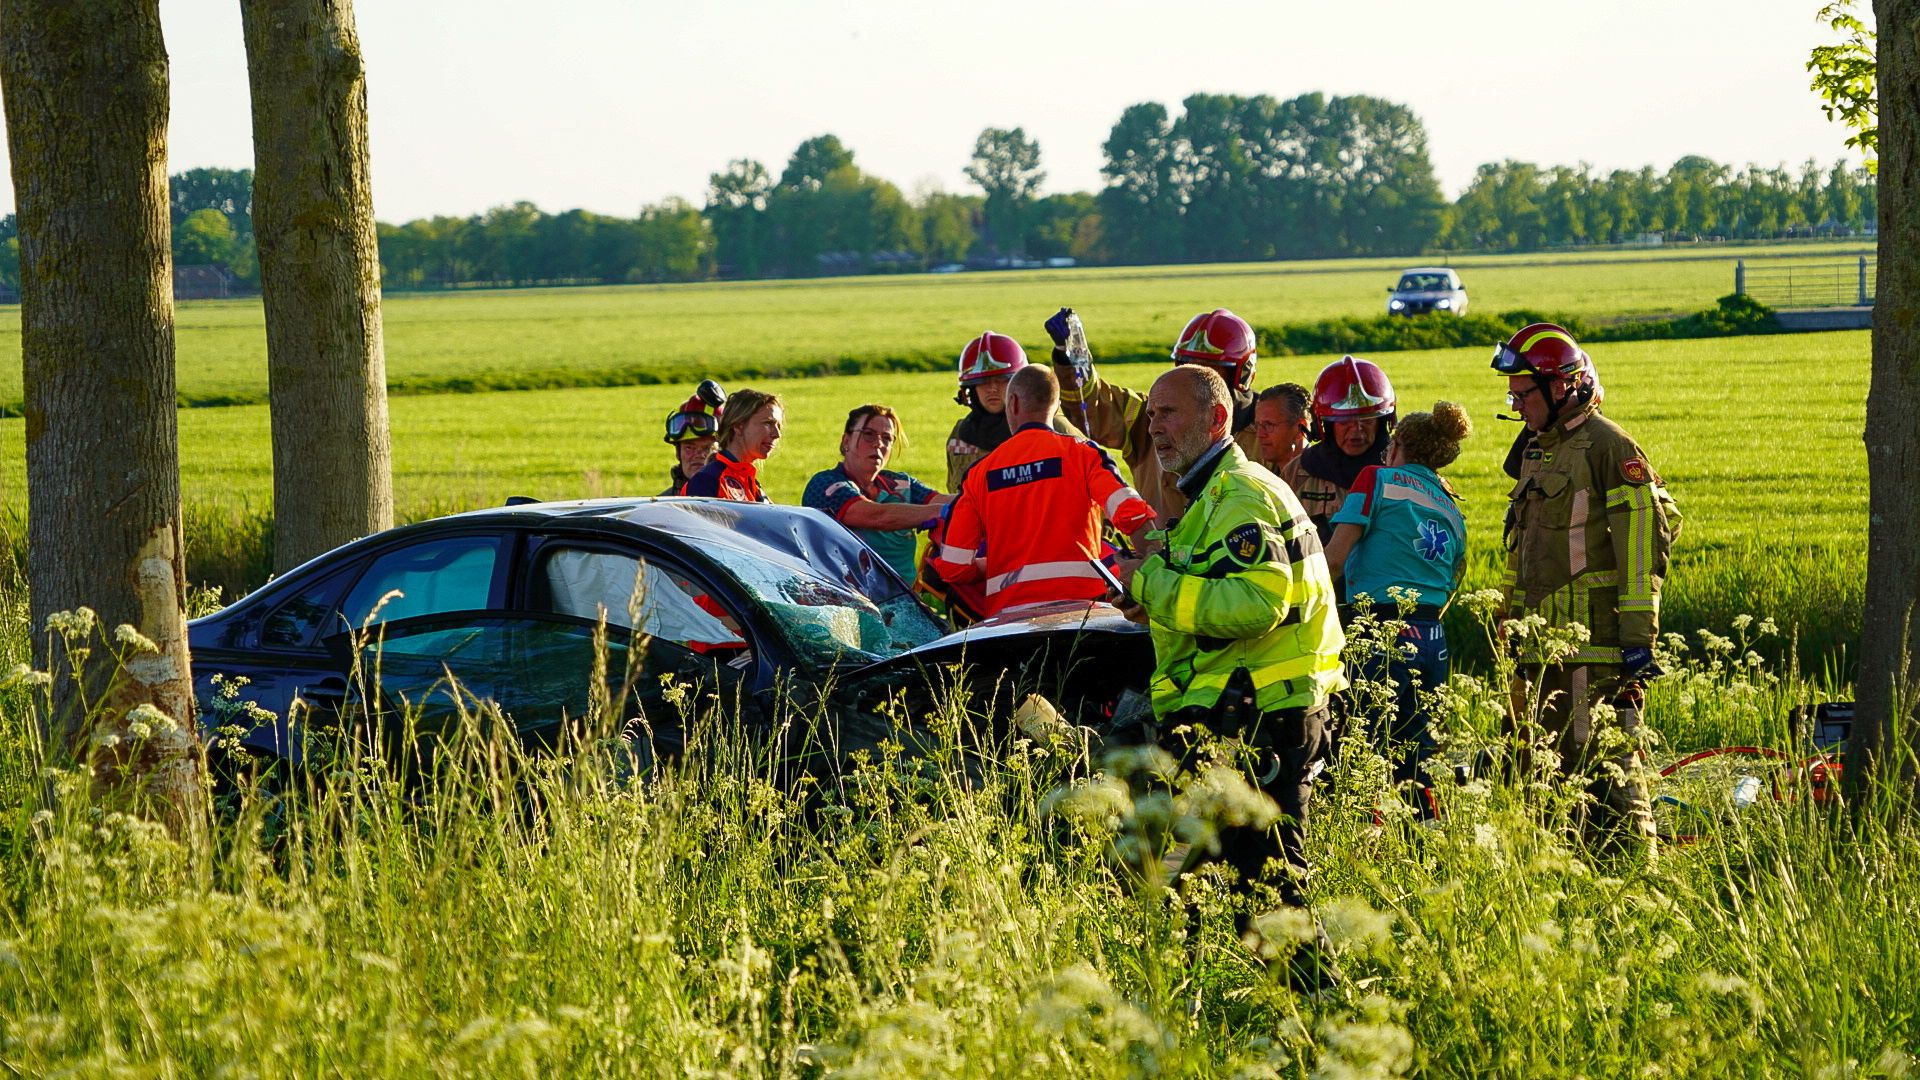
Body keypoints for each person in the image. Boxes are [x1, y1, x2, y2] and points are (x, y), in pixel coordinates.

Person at [1111, 364, 1346, 987]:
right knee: (1180, 877)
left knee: (1269, 900)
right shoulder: (1211, 496)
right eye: (1152, 414)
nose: (1155, 427)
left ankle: (1329, 1027)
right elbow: (1208, 593)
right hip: (1228, 720)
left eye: (1170, 413)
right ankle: (1175, 1010)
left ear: (1218, 419)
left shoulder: (1238, 495)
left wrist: (1151, 582)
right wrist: (1151, 593)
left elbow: (1256, 605)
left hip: (1257, 722)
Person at [1494, 322, 1680, 851]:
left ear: (1562, 387)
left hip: (1594, 646)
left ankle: (1637, 875)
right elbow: (1522, 546)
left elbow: (1646, 539)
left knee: (1609, 771)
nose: (1515, 401)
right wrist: (1507, 614)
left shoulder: (1607, 445)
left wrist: (1637, 640)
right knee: (1541, 772)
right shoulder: (1537, 450)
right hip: (1539, 646)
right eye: (1513, 392)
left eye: (1523, 391)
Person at [1321, 402, 1472, 815]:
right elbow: (1453, 578)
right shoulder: (1452, 507)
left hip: (1377, 626)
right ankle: (1424, 838)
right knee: (1417, 754)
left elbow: (1333, 559)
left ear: (1398, 445)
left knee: (1359, 744)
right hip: (1432, 638)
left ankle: (1356, 837)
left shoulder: (1376, 479)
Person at [932, 366, 1156, 616]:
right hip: (1083, 613)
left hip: (1009, 619)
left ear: (1012, 403)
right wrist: (1155, 567)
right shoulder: (1085, 455)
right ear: (1058, 406)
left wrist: (996, 567)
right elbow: (1131, 513)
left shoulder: (980, 473)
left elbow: (953, 568)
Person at [1049, 307, 1261, 520]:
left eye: (1209, 370)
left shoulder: (1269, 426)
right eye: (1187, 366)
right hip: (1158, 553)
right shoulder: (1144, 417)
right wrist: (1072, 354)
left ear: (1241, 374)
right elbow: (1093, 405)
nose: (1195, 377)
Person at [802, 405, 954, 584]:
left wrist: (983, 496)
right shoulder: (824, 484)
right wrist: (942, 511)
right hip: (843, 599)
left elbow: (943, 500)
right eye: (868, 434)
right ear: (846, 441)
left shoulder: (901, 484)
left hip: (903, 601)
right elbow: (878, 516)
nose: (879, 444)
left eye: (887, 438)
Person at [946, 331, 1084, 491]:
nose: (992, 388)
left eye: (1001, 380)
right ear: (968, 390)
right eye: (982, 381)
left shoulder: (1055, 428)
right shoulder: (959, 437)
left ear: (1020, 385)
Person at [1280, 356, 1395, 543]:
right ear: (1325, 425)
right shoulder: (1296, 474)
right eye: (1344, 421)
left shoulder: (1403, 473)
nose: (1356, 429)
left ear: (1383, 423)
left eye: (1367, 419)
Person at [684, 388, 781, 502]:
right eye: (768, 423)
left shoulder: (751, 483)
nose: (777, 434)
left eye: (778, 426)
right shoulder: (707, 480)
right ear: (738, 426)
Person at [659, 380, 726, 496]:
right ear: (677, 452)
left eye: (708, 448)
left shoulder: (747, 498)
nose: (699, 454)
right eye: (689, 447)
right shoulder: (663, 505)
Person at [1253, 383, 1311, 473]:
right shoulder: (1270, 475)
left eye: (1269, 424)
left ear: (1300, 429)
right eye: (1258, 425)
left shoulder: (1320, 482)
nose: (1259, 434)